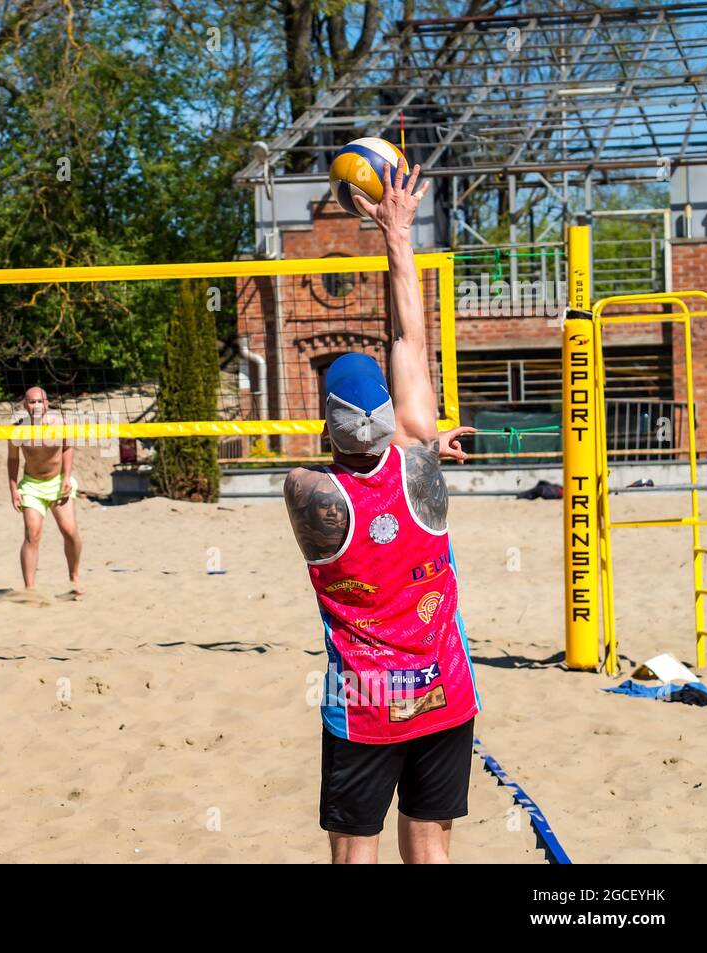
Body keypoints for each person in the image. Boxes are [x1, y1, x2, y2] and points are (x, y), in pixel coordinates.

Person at [282, 163, 481, 864]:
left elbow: (354, 440)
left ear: (329, 427)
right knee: (430, 851)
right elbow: (409, 341)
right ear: (391, 421)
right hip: (445, 694)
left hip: (367, 705)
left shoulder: (309, 495)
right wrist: (398, 234)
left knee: (354, 853)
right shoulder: (424, 465)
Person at [6, 387, 83, 594]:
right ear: (25, 405)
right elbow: (13, 460)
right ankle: (30, 590)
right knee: (33, 534)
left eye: (40, 402)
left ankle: (74, 577)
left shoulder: (60, 424)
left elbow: (67, 448)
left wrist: (66, 476)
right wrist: (13, 490)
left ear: (47, 404)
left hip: (58, 482)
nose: (36, 406)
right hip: (31, 485)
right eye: (32, 402)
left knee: (70, 531)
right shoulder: (17, 430)